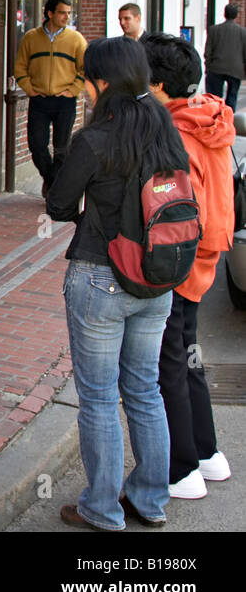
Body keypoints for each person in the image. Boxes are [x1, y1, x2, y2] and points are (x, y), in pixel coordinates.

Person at [47, 36, 188, 531]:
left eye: (87, 79)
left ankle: (102, 509)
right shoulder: (166, 129)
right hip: (158, 281)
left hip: (100, 276)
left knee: (101, 397)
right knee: (145, 390)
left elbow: (59, 206)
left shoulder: (94, 139)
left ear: (102, 81)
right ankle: (149, 501)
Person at [141, 33, 234, 499]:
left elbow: (173, 207)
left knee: (170, 362)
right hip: (207, 255)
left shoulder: (174, 133)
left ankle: (181, 471)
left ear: (156, 86)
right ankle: (206, 452)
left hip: (180, 258)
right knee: (187, 355)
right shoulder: (210, 118)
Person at [14, 0, 88, 198]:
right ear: (50, 14)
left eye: (68, 13)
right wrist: (29, 88)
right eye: (62, 13)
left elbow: (85, 68)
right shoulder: (31, 38)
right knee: (36, 145)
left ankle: (53, 188)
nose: (66, 17)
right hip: (39, 100)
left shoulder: (76, 39)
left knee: (61, 148)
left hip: (65, 100)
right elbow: (20, 67)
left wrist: (72, 90)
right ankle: (53, 181)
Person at [204, 4, 246, 111]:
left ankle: (215, 116)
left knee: (215, 97)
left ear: (224, 14)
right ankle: (228, 118)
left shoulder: (214, 30)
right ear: (236, 15)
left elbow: (208, 50)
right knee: (232, 96)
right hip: (236, 69)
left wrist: (208, 65)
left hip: (216, 67)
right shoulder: (243, 32)